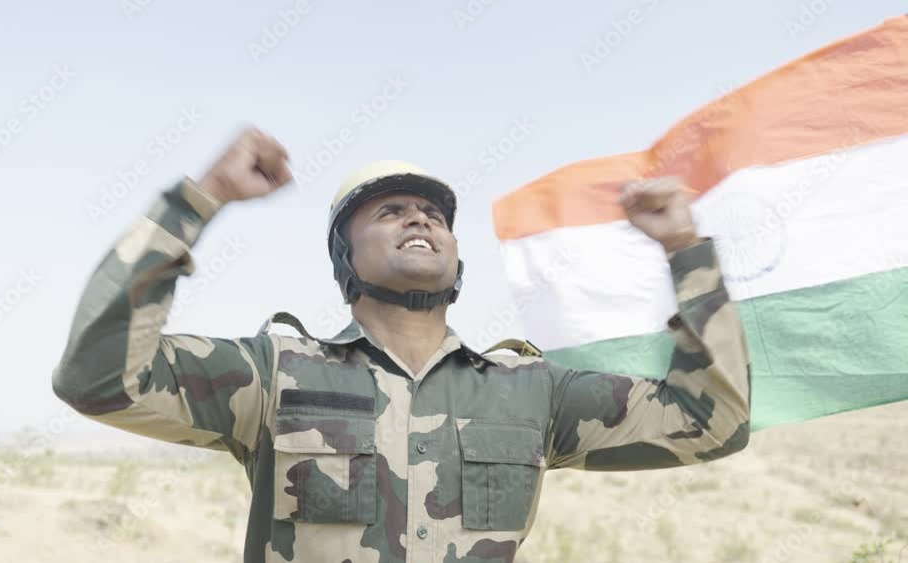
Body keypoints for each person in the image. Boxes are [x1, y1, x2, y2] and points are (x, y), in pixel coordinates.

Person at [53, 127, 751, 563]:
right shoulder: (275, 375)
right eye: (390, 211)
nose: (419, 217)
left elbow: (711, 420)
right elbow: (98, 375)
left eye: (432, 214)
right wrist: (197, 199)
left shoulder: (532, 389)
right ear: (346, 260)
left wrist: (686, 250)